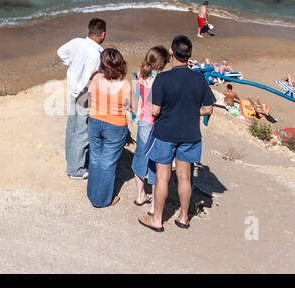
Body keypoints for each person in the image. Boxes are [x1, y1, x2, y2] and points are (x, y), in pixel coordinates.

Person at [139, 35, 213, 232]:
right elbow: (208, 109)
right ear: (189, 55)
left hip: (166, 132)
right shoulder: (198, 77)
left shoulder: (163, 78)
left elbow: (155, 110)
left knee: (163, 177)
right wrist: (189, 111)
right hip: (190, 134)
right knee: (185, 177)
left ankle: (157, 220)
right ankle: (183, 217)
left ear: (171, 52)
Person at [57, 17, 107, 179]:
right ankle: (75, 170)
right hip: (85, 94)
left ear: (88, 31)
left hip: (73, 90)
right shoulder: (96, 54)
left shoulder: (77, 42)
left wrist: (71, 64)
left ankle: (70, 158)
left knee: (71, 127)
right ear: (103, 35)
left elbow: (60, 52)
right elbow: (89, 78)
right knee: (83, 132)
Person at [86, 48, 131, 207]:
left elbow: (89, 97)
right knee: (108, 163)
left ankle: (92, 193)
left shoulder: (95, 76)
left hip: (94, 120)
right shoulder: (125, 85)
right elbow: (132, 107)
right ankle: (101, 200)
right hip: (115, 125)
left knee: (95, 157)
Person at [131, 47, 169, 205]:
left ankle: (140, 195)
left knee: (140, 157)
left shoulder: (140, 76)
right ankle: (154, 204)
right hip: (158, 125)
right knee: (156, 163)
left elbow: (134, 101)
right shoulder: (163, 80)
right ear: (162, 65)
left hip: (144, 123)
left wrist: (135, 117)